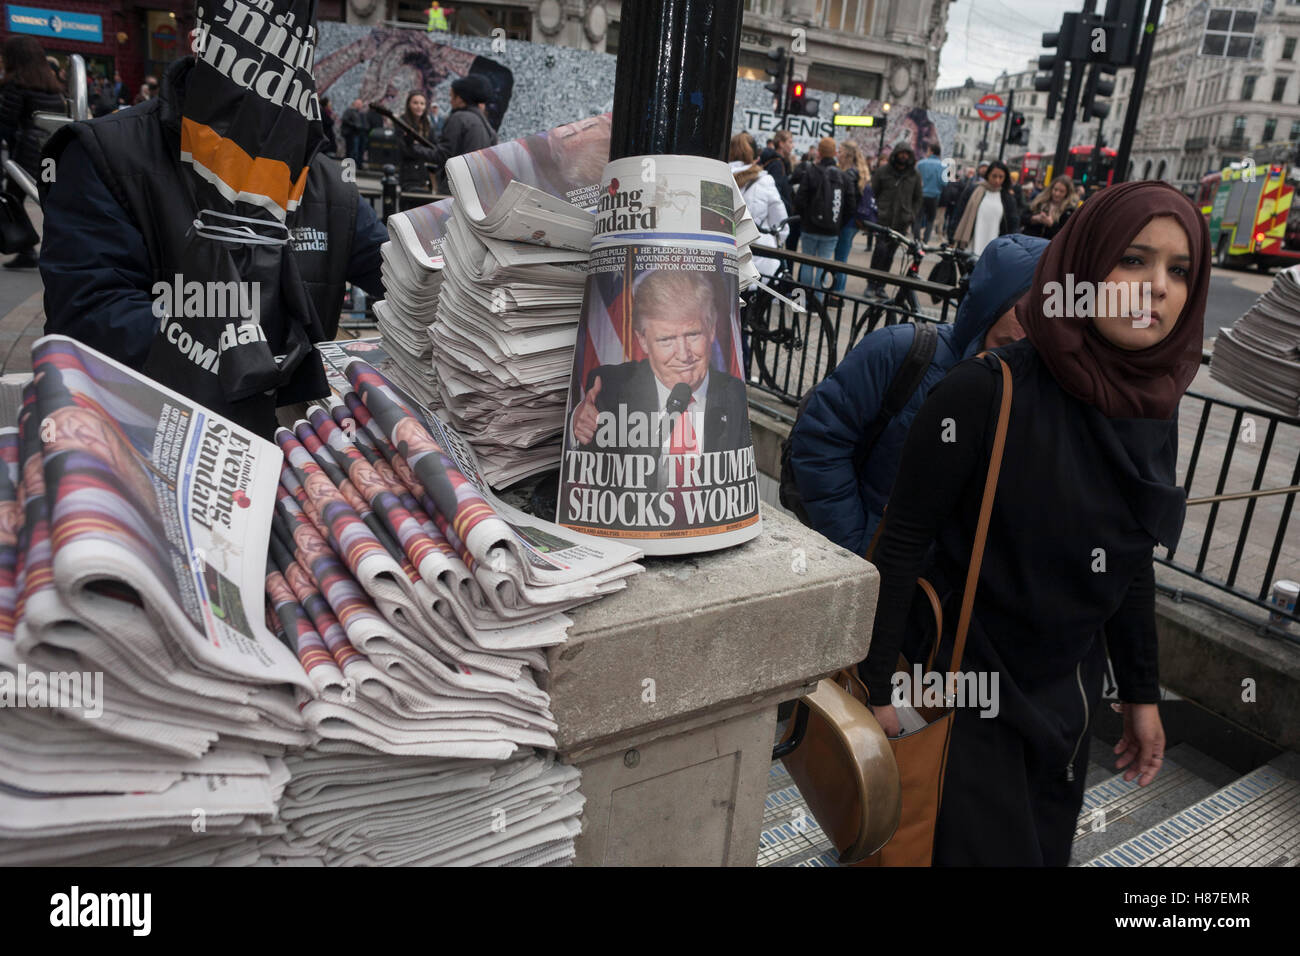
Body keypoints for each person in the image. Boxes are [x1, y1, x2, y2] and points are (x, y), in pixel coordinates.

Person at [862, 181, 1206, 866]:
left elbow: (1131, 561)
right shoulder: (985, 392)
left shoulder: (1149, 412)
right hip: (965, 698)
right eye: (1133, 261)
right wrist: (876, 691)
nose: (1158, 287)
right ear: (1082, 270)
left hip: (1068, 705)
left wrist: (1140, 692)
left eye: (1179, 270)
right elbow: (900, 543)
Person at [38, 53, 388, 434]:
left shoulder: (327, 182)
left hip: (290, 442)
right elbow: (89, 313)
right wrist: (241, 357)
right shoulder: (104, 153)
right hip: (144, 426)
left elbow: (399, 274)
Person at [789, 234, 1047, 554]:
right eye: (1027, 308)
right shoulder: (900, 351)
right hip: (872, 563)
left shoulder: (1040, 392)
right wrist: (858, 546)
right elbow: (820, 440)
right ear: (994, 302)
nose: (1035, 325)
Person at [569, 269, 749, 459]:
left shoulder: (735, 394)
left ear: (711, 330)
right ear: (643, 340)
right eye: (666, 339)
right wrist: (577, 424)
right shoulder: (610, 388)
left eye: (693, 334)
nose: (683, 354)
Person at [0, 36, 66, 270]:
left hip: (25, 152)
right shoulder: (52, 84)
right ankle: (62, 247)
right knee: (52, 201)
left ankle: (25, 247)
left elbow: (6, 121)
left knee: (13, 199)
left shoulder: (16, 83)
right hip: (53, 152)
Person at [404, 74, 498, 193]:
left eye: (452, 96)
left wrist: (413, 147)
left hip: (456, 190)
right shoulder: (486, 126)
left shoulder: (458, 119)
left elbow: (442, 155)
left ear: (460, 98)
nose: (450, 100)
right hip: (476, 191)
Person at [730, 132, 788, 278]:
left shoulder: (717, 178)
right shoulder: (765, 181)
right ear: (755, 157)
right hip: (758, 260)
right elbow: (781, 224)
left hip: (725, 258)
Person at [868, 145, 923, 295]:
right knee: (879, 251)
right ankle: (871, 283)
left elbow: (918, 198)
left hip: (901, 221)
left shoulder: (914, 175)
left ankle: (881, 285)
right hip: (882, 220)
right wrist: (876, 210)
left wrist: (911, 214)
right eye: (901, 153)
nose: (904, 156)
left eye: (907, 153)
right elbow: (873, 191)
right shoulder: (883, 172)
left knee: (889, 255)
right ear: (896, 154)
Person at [792, 137, 845, 294]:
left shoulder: (811, 172)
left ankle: (806, 298)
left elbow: (800, 199)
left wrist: (805, 217)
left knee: (807, 262)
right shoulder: (842, 175)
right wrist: (838, 223)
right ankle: (818, 303)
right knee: (824, 264)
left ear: (819, 152)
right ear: (835, 153)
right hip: (831, 229)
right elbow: (849, 204)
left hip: (810, 227)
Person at [951, 159, 1019, 256]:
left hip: (995, 251)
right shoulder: (973, 190)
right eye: (994, 176)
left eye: (1001, 177)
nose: (997, 180)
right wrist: (951, 235)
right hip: (970, 248)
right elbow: (959, 212)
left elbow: (1013, 222)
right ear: (988, 175)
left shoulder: (1007, 198)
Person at [833, 140, 869, 293]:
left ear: (847, 154)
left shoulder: (849, 174)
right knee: (842, 257)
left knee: (840, 259)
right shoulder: (858, 172)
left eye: (840, 151)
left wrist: (840, 221)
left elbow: (848, 204)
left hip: (847, 222)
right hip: (853, 222)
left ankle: (837, 293)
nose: (837, 154)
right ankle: (837, 292)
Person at [398, 90, 438, 191]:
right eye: (415, 103)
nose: (419, 106)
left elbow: (434, 148)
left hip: (426, 175)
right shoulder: (402, 123)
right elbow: (404, 150)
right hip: (409, 174)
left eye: (422, 103)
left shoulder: (427, 124)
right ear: (409, 105)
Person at [1022, 175, 1080, 240]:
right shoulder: (1040, 201)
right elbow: (1022, 217)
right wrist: (1035, 218)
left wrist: (1051, 224)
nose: (1057, 194)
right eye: (1055, 190)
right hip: (1028, 240)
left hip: (1049, 245)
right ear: (1051, 189)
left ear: (1067, 193)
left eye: (1061, 191)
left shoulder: (1068, 211)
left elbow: (1066, 235)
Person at [915, 143, 945, 242]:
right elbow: (944, 183)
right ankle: (925, 242)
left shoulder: (921, 163)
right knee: (930, 220)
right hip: (934, 196)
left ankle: (916, 239)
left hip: (921, 194)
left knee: (918, 218)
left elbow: (915, 179)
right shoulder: (943, 166)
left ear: (931, 151)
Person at [341, 98, 368, 164]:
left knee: (360, 150)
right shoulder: (349, 111)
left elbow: (365, 123)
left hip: (361, 134)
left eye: (360, 104)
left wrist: (365, 127)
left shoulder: (362, 113)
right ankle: (350, 164)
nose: (359, 106)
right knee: (352, 150)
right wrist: (354, 125)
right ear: (355, 104)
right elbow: (345, 120)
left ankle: (359, 164)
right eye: (358, 104)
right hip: (352, 134)